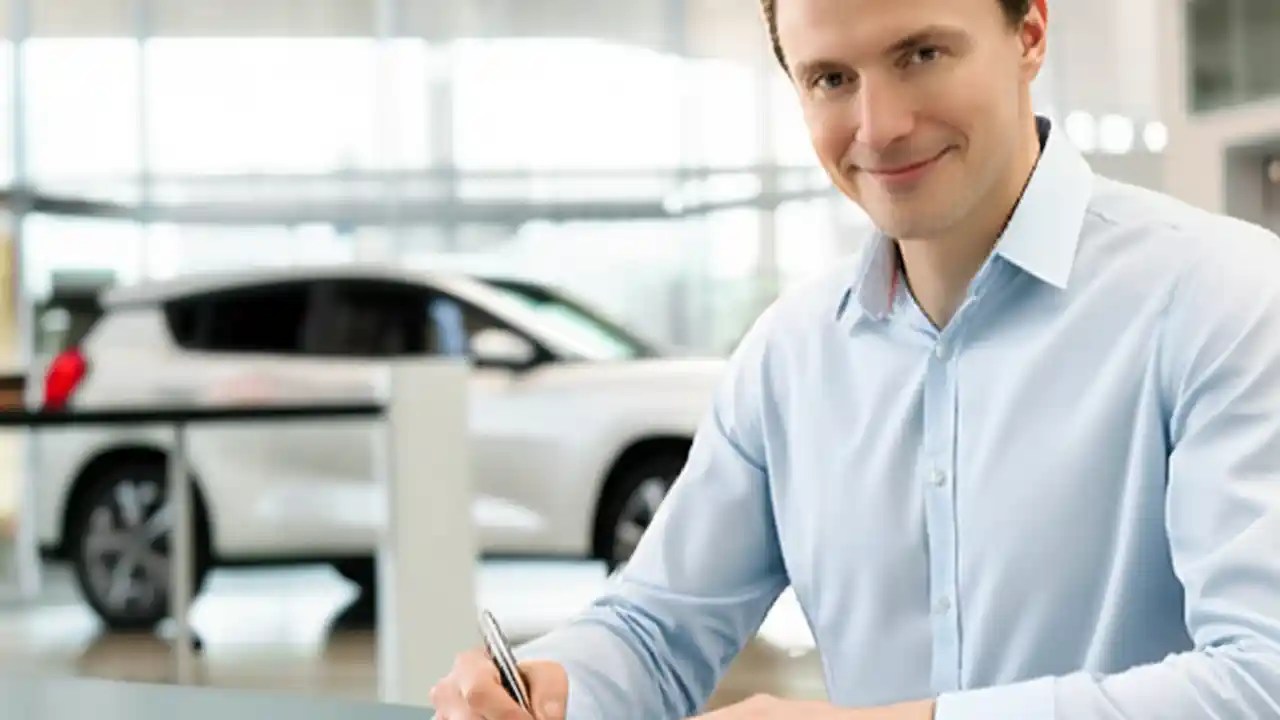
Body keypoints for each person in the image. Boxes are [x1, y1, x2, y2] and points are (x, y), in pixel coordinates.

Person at [430, 0, 1280, 716]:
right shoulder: (789, 355)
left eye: (921, 54)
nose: (880, 127)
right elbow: (657, 629)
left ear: (1030, 34)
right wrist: (554, 687)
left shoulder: (1224, 298)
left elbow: (1260, 679)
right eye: (832, 79)